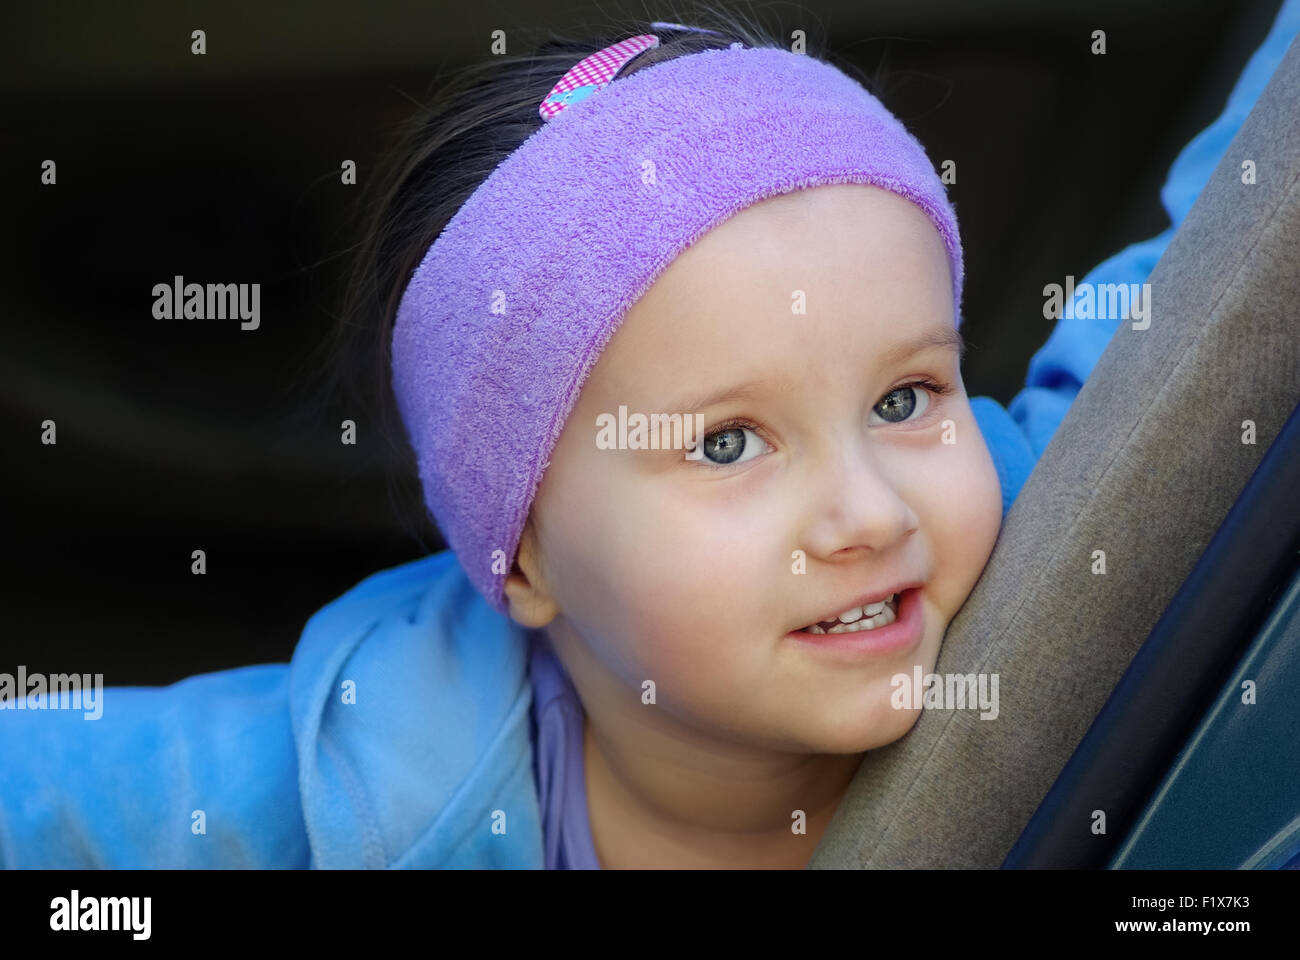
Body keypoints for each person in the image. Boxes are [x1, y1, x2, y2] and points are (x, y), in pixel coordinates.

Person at [3, 3, 1297, 869]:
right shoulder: (343, 780)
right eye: (730, 444)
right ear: (522, 561)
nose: (869, 514)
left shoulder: (1104, 513)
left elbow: (1242, 239)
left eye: (906, 402)